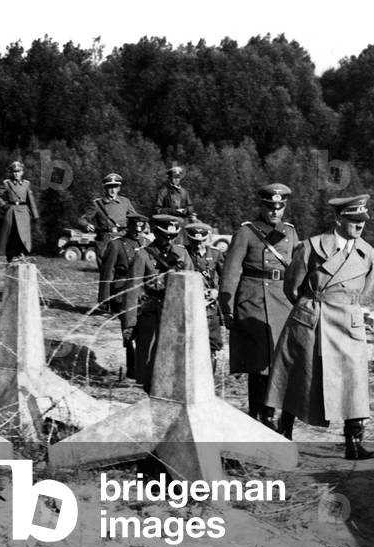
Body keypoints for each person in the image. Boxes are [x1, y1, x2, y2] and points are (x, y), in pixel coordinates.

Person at [265, 195, 374, 459]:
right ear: (339, 219)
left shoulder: (367, 252)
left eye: (362, 220)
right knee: (297, 376)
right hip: (312, 318)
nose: (359, 225)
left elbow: (365, 288)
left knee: (354, 380)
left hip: (348, 321)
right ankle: (284, 438)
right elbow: (292, 287)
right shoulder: (310, 246)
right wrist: (312, 306)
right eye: (353, 219)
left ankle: (353, 443)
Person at [219, 183, 299, 430]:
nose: (275, 212)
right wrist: (227, 307)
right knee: (260, 364)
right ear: (262, 206)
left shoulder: (291, 232)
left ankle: (271, 414)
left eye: (279, 207)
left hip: (283, 302)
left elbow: (297, 269)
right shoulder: (246, 232)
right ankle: (259, 418)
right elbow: (231, 272)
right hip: (254, 300)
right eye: (270, 207)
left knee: (280, 362)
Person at [122, 215, 193, 394]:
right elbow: (132, 290)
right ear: (155, 233)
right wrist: (129, 323)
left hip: (176, 314)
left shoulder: (182, 254)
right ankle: (151, 393)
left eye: (173, 236)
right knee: (150, 361)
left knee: (176, 359)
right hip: (151, 315)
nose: (169, 240)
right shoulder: (143, 255)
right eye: (165, 235)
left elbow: (192, 282)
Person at [98, 212, 149, 380]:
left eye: (140, 230)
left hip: (145, 293)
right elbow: (107, 272)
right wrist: (105, 299)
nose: (137, 232)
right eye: (135, 229)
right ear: (129, 227)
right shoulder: (116, 245)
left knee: (145, 331)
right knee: (129, 331)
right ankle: (133, 371)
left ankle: (144, 370)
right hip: (123, 293)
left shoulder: (147, 244)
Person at [183, 221, 225, 373]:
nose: (198, 245)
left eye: (201, 241)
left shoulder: (215, 254)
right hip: (189, 307)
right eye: (194, 241)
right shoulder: (182, 254)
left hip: (210, 309)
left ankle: (209, 381)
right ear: (188, 239)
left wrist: (217, 291)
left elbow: (226, 278)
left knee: (212, 345)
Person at [79, 173, 138, 271]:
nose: (113, 190)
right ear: (105, 188)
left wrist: (144, 225)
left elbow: (135, 218)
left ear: (119, 188)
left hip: (123, 238)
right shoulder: (97, 204)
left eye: (115, 186)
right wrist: (86, 225)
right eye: (110, 187)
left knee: (124, 270)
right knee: (106, 272)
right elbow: (82, 219)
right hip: (106, 239)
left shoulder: (125, 202)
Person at [0, 160, 40, 261]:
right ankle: (10, 257)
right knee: (12, 235)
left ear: (22, 172)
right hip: (12, 212)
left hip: (24, 212)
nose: (16, 174)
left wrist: (35, 214)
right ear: (11, 173)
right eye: (14, 172)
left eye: (18, 171)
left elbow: (30, 200)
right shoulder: (7, 183)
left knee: (24, 236)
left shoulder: (26, 184)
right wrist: (4, 205)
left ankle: (22, 255)